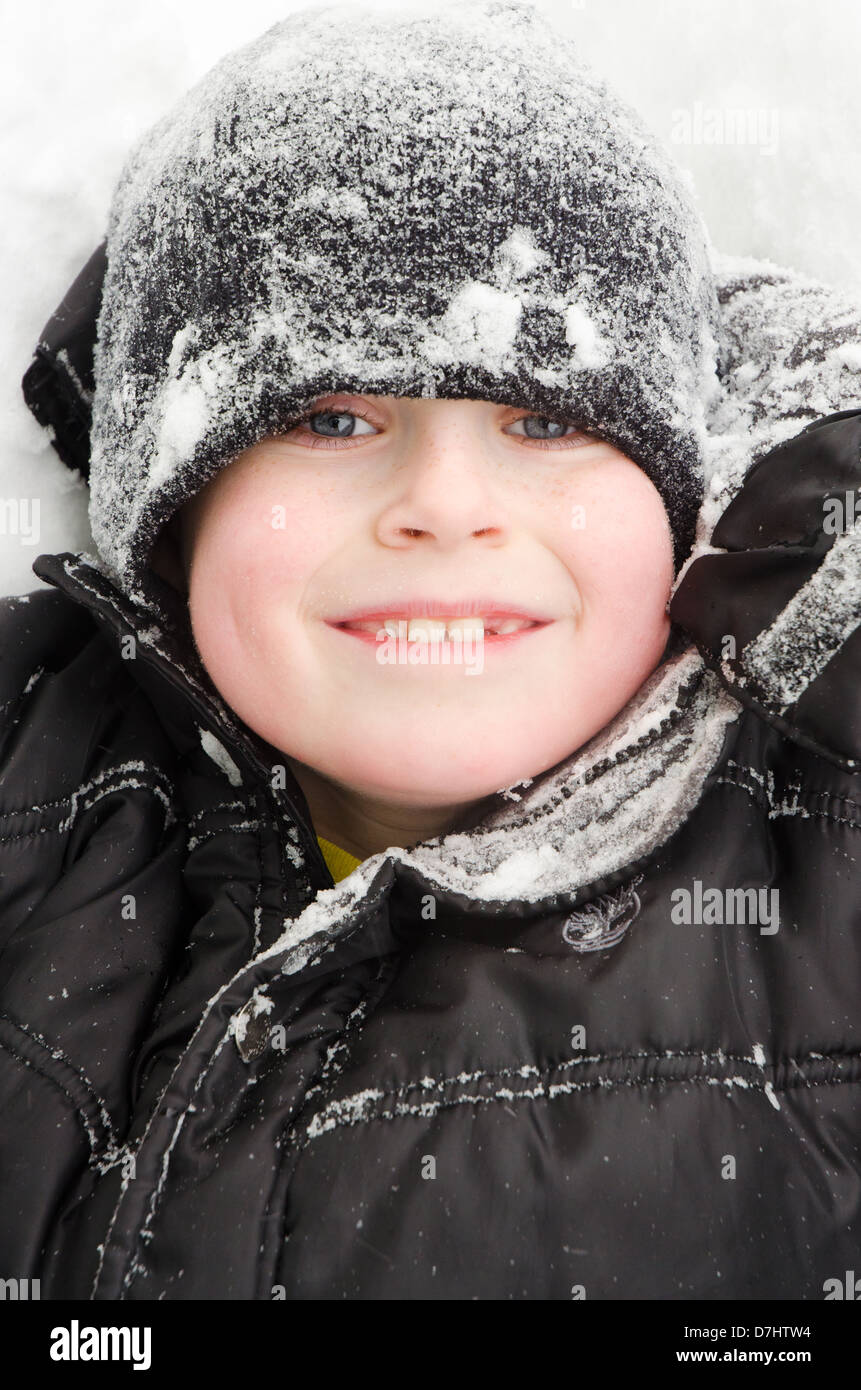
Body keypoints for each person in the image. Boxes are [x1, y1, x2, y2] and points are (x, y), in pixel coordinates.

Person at [2, 0, 860, 1300]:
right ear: (170, 513)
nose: (445, 503)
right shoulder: (35, 792)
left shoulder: (824, 863)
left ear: (689, 503)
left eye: (544, 416)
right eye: (333, 417)